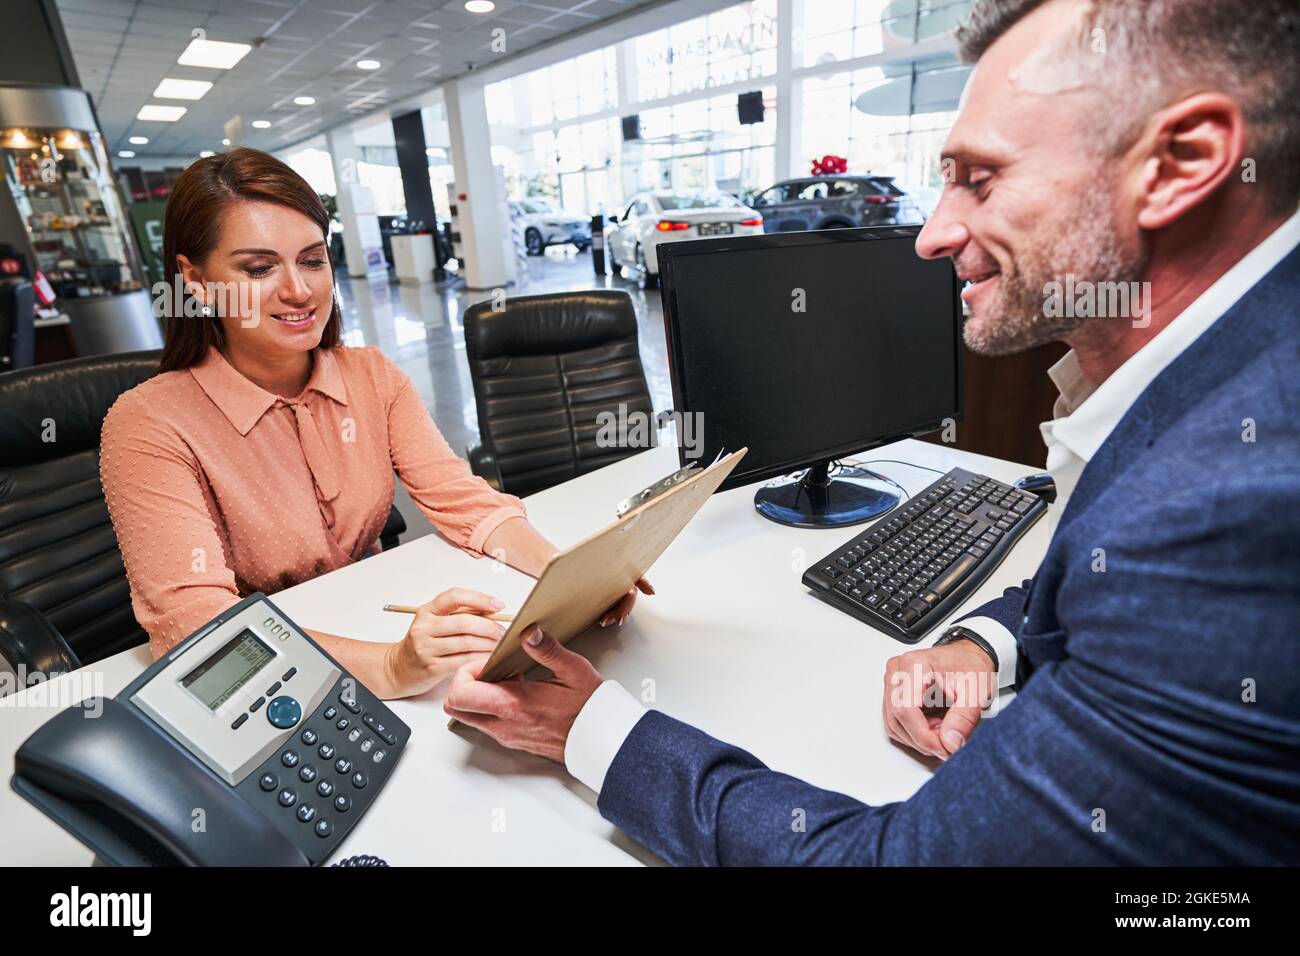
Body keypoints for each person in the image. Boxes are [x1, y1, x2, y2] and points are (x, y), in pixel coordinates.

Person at [443, 0, 1300, 864]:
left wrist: (598, 732)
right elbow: (1081, 589)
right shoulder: (1242, 379)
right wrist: (981, 642)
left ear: (1182, 162)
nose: (931, 235)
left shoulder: (1229, 513)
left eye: (982, 177)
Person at [100, 148, 650, 700]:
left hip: (371, 616)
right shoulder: (149, 423)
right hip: (268, 686)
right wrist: (389, 667)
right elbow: (195, 627)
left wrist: (569, 580)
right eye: (259, 268)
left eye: (313, 260)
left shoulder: (372, 376)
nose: (299, 291)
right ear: (195, 280)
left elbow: (464, 502)